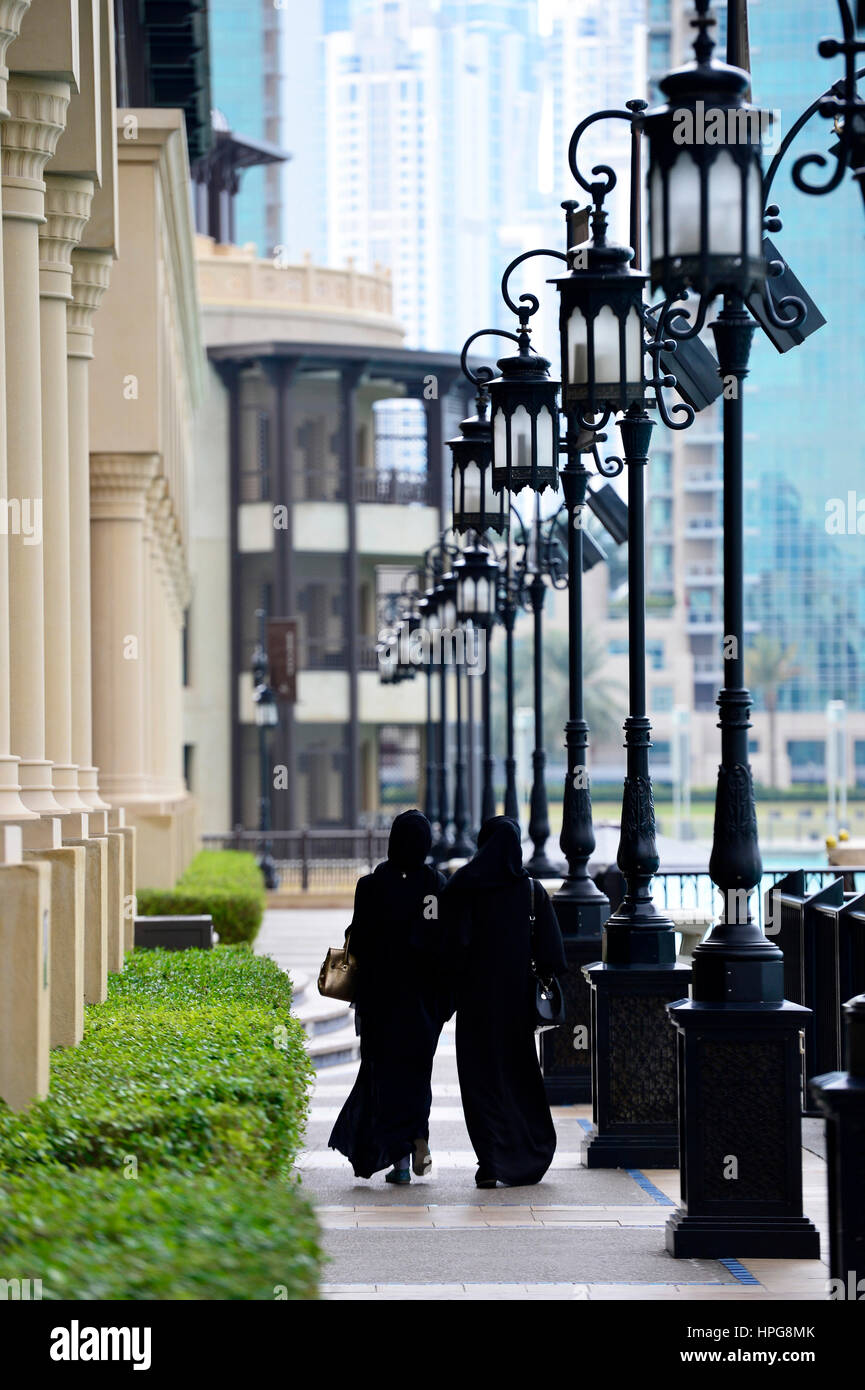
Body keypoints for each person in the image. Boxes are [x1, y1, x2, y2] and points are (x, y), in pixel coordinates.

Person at [440, 815, 566, 1188]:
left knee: (481, 1081)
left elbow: (449, 947)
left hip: (476, 1003)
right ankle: (529, 1153)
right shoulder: (530, 890)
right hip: (516, 1008)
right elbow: (552, 956)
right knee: (519, 1078)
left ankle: (491, 1161)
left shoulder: (463, 883)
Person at [329, 810, 449, 1184]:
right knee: (417, 1075)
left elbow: (358, 939)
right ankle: (419, 1136)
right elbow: (444, 941)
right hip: (422, 1003)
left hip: (380, 1000)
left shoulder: (371, 885)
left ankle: (398, 1160)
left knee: (383, 1076)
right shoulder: (434, 884)